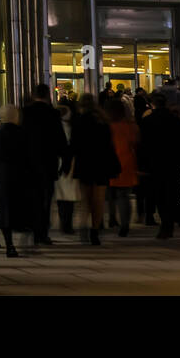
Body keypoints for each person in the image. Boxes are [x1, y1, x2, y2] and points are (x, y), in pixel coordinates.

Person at [138, 92, 180, 239]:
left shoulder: (147, 121)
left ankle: (166, 224)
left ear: (152, 105)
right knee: (174, 192)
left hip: (156, 163)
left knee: (160, 195)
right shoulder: (176, 121)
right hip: (175, 162)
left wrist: (142, 165)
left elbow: (143, 145)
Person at [70, 94, 119, 245]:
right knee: (98, 200)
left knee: (85, 200)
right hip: (101, 164)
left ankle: (83, 227)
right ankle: (95, 230)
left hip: (85, 163)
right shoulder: (103, 121)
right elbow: (109, 144)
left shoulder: (79, 121)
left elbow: (74, 144)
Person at [21, 83, 67, 244]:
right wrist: (65, 160)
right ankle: (42, 232)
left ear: (34, 95)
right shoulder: (52, 113)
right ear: (48, 95)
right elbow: (60, 139)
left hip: (29, 163)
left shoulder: (25, 113)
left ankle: (34, 229)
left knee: (33, 198)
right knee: (46, 199)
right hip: (48, 162)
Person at [0, 103, 38, 257]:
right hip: (22, 174)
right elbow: (31, 156)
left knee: (5, 210)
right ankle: (26, 238)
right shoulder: (23, 133)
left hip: (3, 174)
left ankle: (9, 245)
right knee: (23, 206)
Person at [105, 98, 140, 237]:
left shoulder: (106, 125)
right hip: (126, 162)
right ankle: (125, 223)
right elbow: (136, 142)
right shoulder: (130, 125)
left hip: (108, 161)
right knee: (123, 194)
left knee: (109, 193)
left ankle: (112, 218)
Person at [53, 101, 80, 234]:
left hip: (64, 164)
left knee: (64, 197)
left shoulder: (56, 126)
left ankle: (66, 223)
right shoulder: (72, 126)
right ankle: (66, 223)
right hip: (65, 164)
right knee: (65, 198)